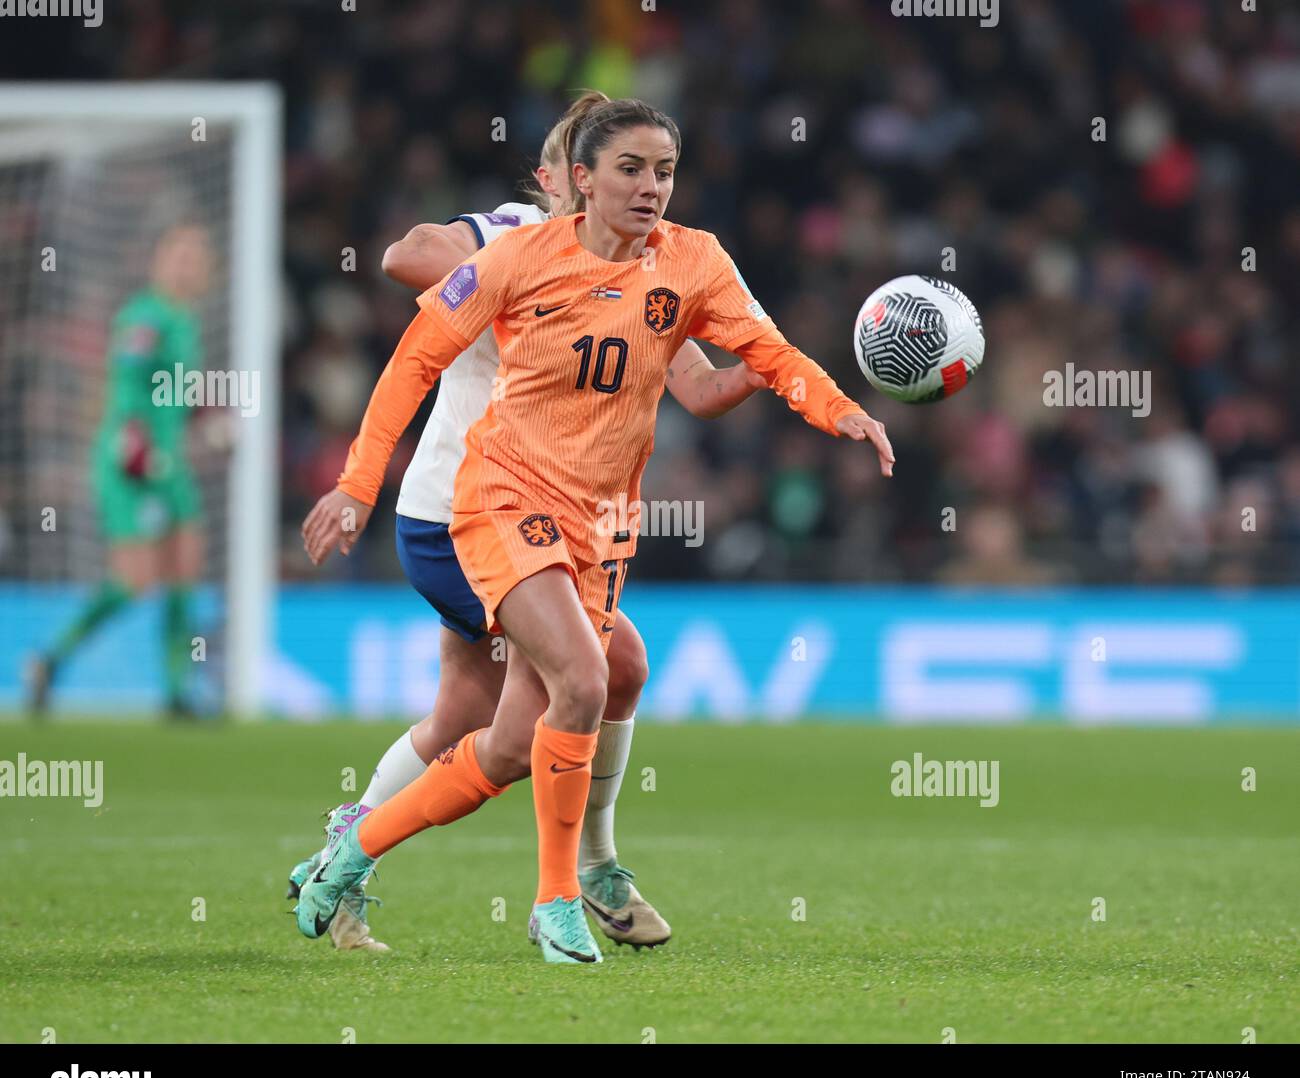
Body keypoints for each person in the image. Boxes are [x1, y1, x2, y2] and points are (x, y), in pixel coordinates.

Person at [296, 98, 893, 964]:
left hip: (602, 523)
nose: (651, 188)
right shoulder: (516, 252)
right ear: (575, 179)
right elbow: (415, 356)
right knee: (580, 678)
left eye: (664, 171)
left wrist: (835, 408)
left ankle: (349, 853)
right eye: (631, 169)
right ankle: (559, 898)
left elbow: (759, 353)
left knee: (504, 744)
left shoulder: (693, 263)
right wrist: (355, 486)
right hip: (499, 497)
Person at [27, 224, 214, 718]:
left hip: (172, 463)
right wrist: (137, 447)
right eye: (180, 254)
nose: (188, 265)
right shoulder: (143, 317)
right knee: (135, 578)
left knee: (185, 565)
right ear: (159, 259)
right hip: (132, 461)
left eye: (196, 257)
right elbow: (128, 389)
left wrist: (212, 423)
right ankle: (48, 660)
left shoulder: (186, 320)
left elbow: (174, 395)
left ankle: (177, 691)